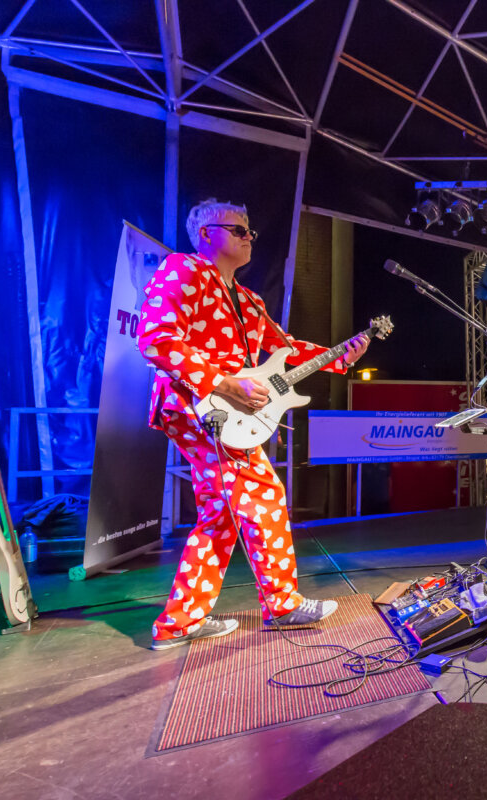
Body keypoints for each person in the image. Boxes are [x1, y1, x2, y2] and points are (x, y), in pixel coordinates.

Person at [138, 198, 368, 649]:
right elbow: (156, 338)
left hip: (223, 411)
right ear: (206, 234)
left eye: (250, 232)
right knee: (265, 493)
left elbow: (286, 349)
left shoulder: (249, 300)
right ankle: (281, 604)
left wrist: (340, 356)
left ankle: (180, 622)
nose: (249, 238)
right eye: (238, 230)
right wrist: (224, 384)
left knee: (220, 515)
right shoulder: (183, 269)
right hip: (196, 404)